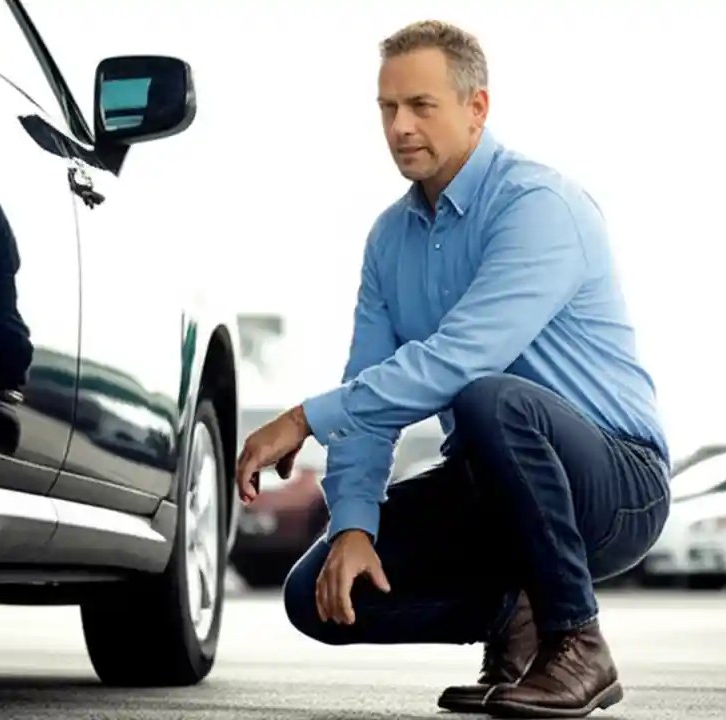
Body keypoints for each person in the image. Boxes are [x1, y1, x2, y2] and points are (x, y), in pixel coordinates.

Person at [235, 19, 671, 719]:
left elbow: (458, 359)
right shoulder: (389, 239)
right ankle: (514, 618)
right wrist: (352, 524)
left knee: (487, 398)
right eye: (387, 108)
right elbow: (370, 386)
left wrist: (301, 419)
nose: (400, 126)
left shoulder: (538, 207)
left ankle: (577, 643)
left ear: (477, 109)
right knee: (314, 592)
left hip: (615, 486)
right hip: (490, 488)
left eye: (421, 106)